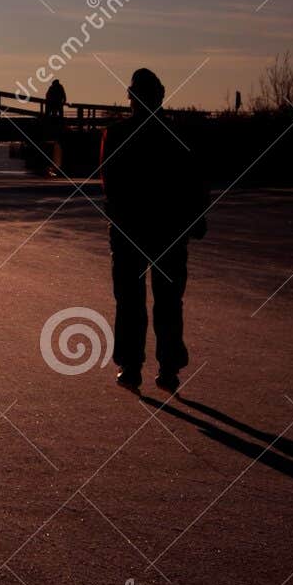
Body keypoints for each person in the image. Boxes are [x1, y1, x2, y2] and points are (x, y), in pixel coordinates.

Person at [99, 68, 208, 393]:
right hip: (168, 230)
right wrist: (197, 217)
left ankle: (132, 365)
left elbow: (110, 183)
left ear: (131, 99)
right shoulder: (178, 136)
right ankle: (169, 366)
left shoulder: (116, 134)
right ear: (160, 96)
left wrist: (118, 216)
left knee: (131, 300)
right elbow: (196, 181)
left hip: (131, 230)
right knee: (169, 299)